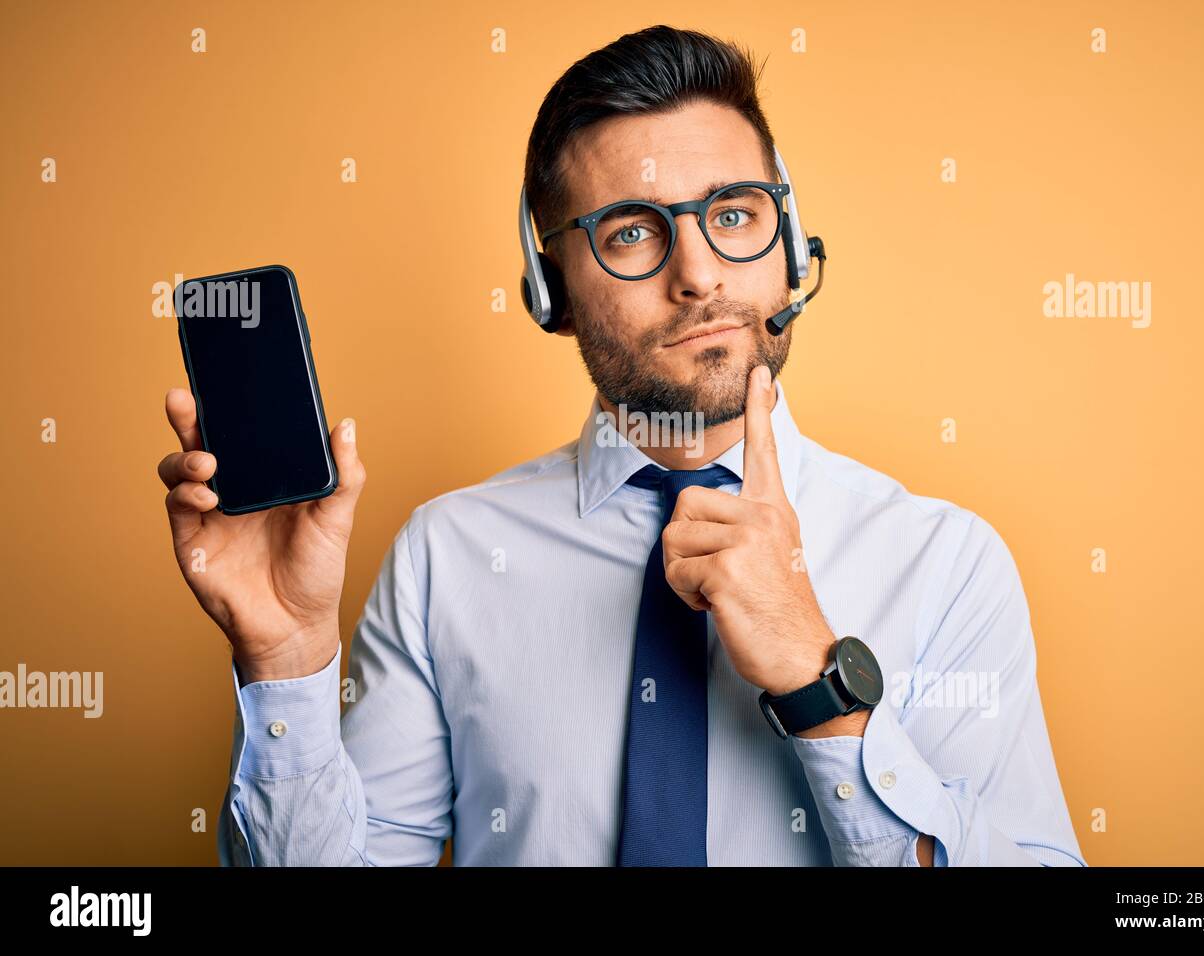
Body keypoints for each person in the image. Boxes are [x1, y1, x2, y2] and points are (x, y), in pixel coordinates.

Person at [156, 24, 1086, 866]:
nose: (699, 274)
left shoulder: (949, 562)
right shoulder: (445, 558)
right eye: (632, 232)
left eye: (734, 213)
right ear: (547, 286)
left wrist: (817, 681)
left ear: (791, 241)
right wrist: (283, 660)